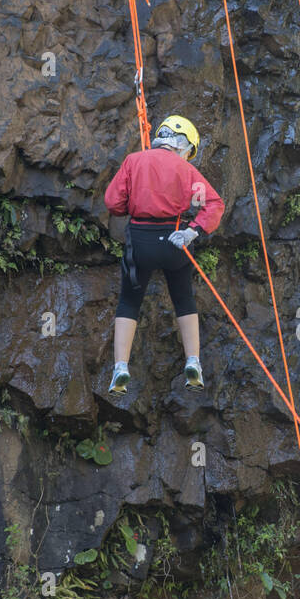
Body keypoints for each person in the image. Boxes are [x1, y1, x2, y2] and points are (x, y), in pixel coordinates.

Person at [104, 114, 224, 394]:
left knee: (129, 301)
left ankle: (120, 367)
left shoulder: (134, 161)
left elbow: (113, 202)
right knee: (184, 298)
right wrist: (193, 230)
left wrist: (132, 206)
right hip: (175, 242)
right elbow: (213, 204)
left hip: (141, 244)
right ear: (183, 146)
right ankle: (193, 361)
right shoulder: (185, 170)